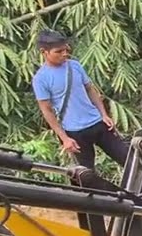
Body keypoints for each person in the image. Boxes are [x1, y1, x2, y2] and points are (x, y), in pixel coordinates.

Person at [32, 29, 130, 171]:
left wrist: (104, 114)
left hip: (97, 123)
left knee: (128, 159)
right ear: (44, 52)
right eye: (59, 51)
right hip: (74, 132)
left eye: (65, 50)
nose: (64, 54)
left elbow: (90, 89)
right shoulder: (41, 79)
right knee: (87, 174)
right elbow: (46, 110)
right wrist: (64, 138)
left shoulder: (74, 66)